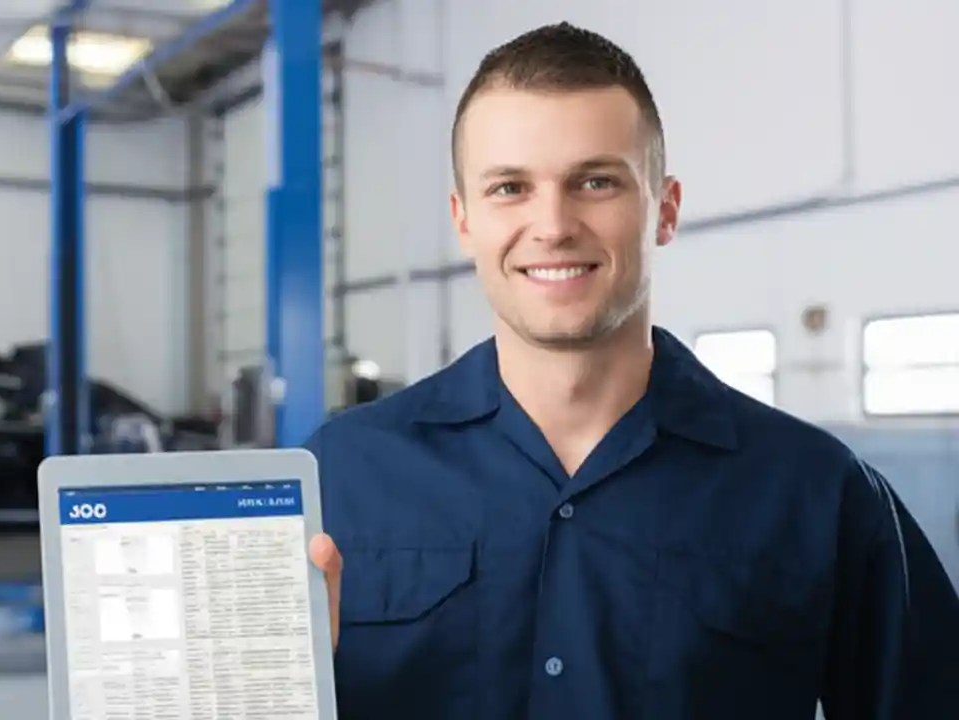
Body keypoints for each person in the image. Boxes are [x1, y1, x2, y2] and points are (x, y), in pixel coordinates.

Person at [304, 21, 959, 720]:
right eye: (510, 188)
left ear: (665, 210)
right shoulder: (339, 476)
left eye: (595, 181)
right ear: (464, 221)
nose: (552, 224)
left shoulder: (815, 492)